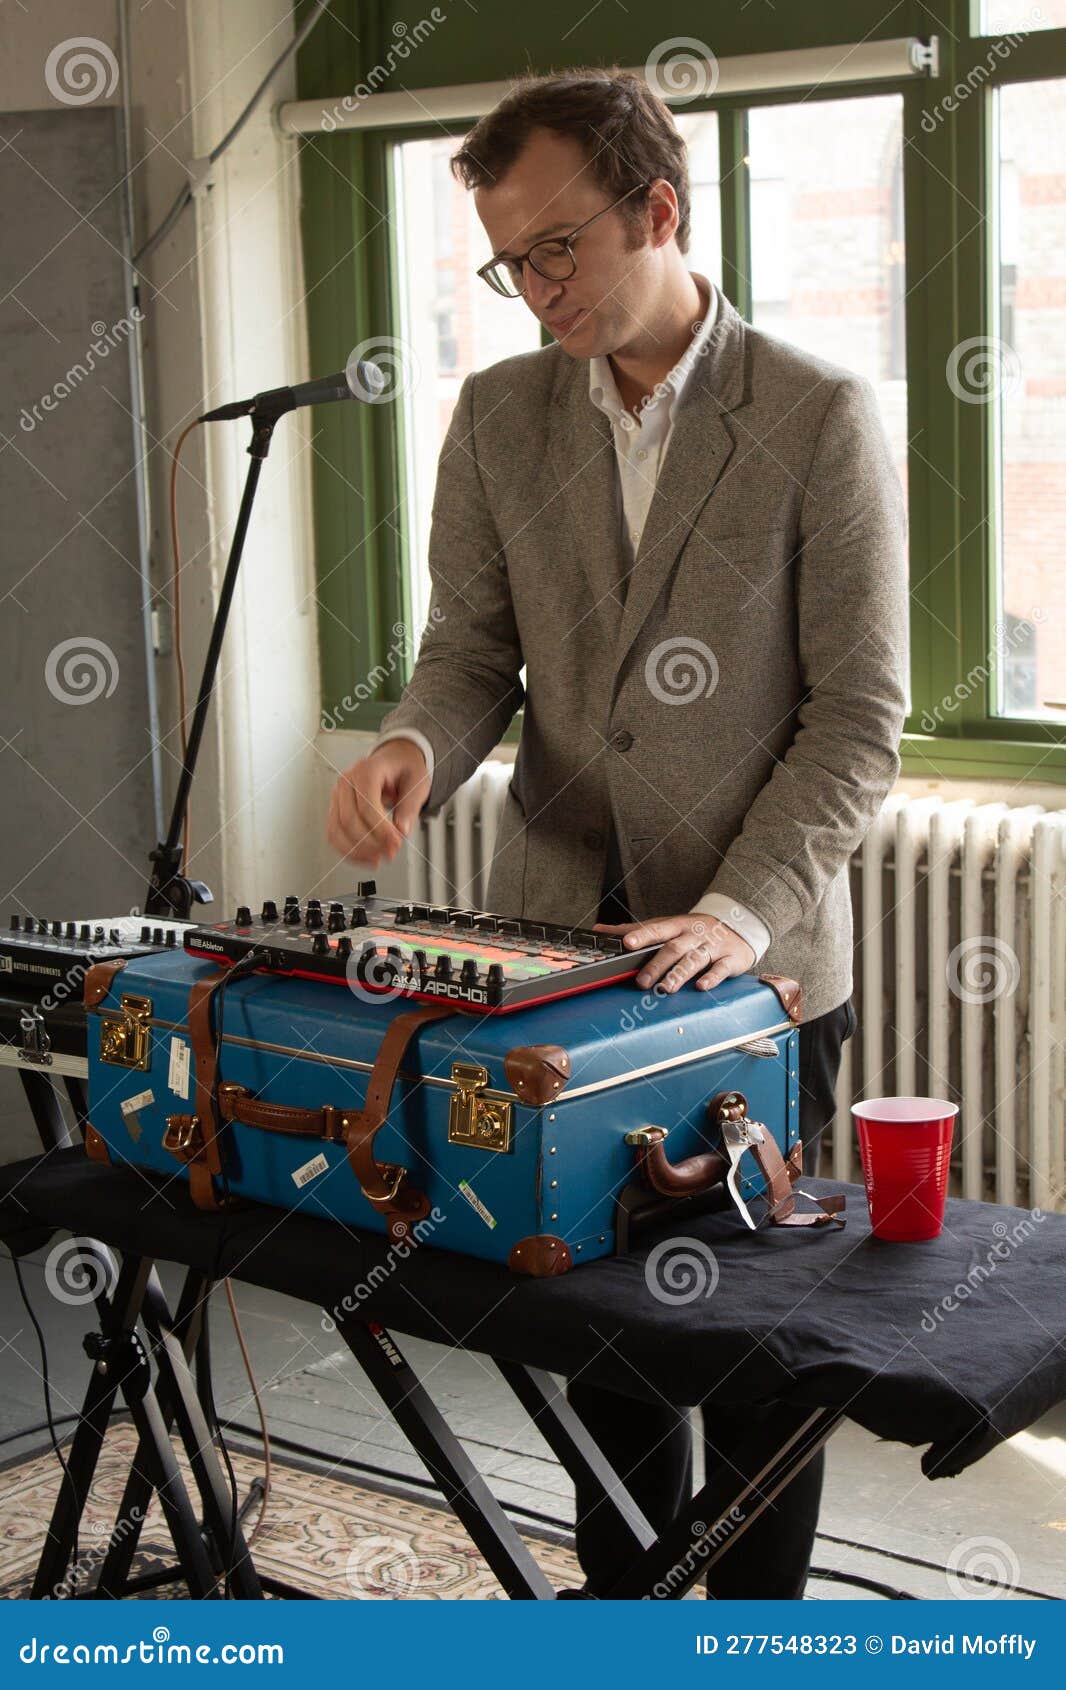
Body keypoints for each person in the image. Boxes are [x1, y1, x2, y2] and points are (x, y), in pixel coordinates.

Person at [326, 67, 907, 1598]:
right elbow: (468, 657)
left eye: (558, 248)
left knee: (757, 1343)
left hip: (757, 974)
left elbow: (856, 718)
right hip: (563, 967)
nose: (534, 290)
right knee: (603, 1337)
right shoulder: (497, 413)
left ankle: (751, 1630)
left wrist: (741, 909)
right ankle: (624, 1620)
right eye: (509, 260)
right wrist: (408, 748)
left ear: (660, 209)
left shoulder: (816, 414)